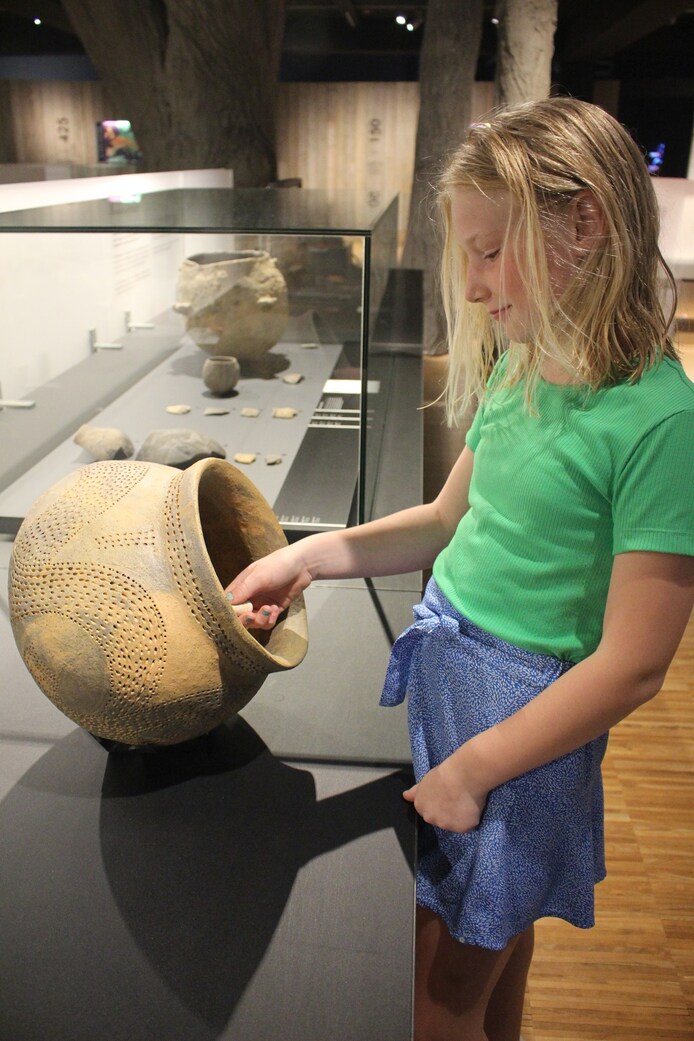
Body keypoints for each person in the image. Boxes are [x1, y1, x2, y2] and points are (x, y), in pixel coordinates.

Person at [226, 97, 694, 1041]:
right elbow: (446, 521)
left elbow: (635, 664)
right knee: (492, 954)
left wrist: (476, 768)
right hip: (458, 700)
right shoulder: (526, 365)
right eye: (468, 256)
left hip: (522, 745)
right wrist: (308, 557)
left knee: (438, 1002)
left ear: (586, 224)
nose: (476, 288)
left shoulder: (660, 422)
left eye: (490, 251)